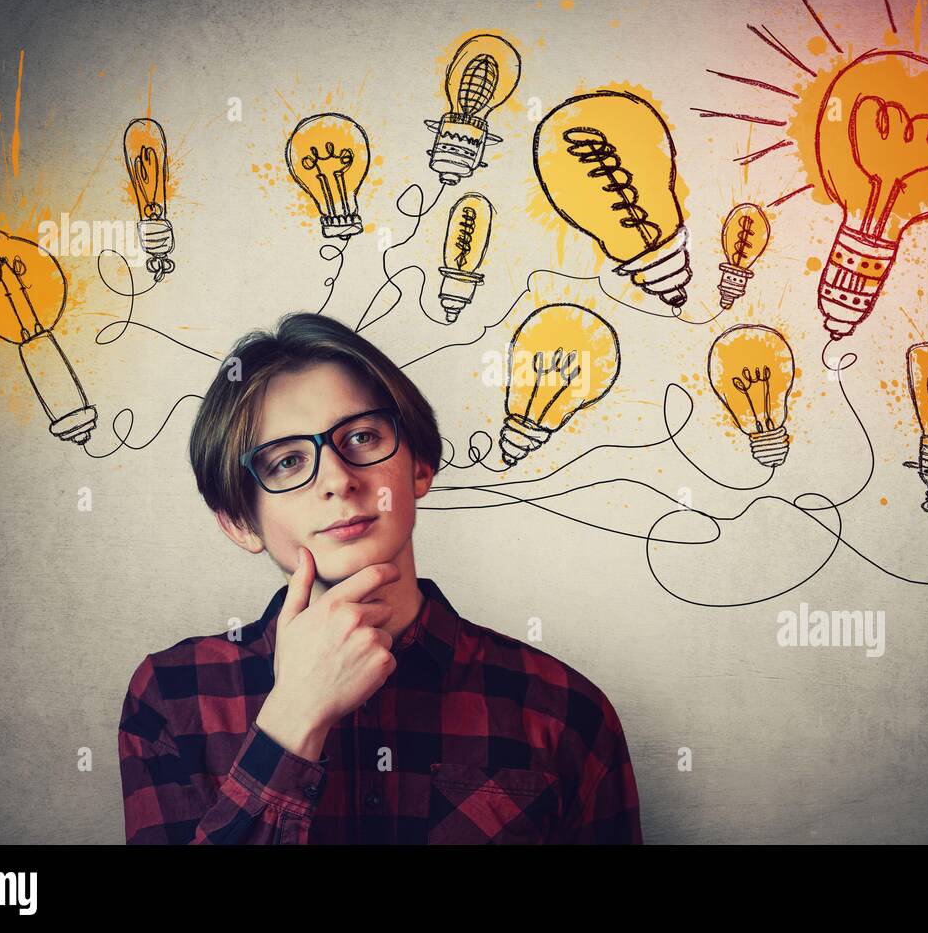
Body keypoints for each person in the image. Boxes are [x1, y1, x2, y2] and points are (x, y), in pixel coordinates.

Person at [118, 311, 643, 844]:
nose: (338, 479)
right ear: (240, 522)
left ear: (420, 466)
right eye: (286, 462)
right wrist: (294, 717)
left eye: (362, 436)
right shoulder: (171, 698)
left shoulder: (565, 710)